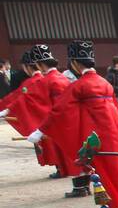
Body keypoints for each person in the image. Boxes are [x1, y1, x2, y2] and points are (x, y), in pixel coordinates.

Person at [33, 41, 118, 208]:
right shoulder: (104, 82)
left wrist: (40, 130)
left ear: (75, 63)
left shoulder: (78, 86)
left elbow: (60, 110)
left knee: (107, 172)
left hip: (98, 136)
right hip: (116, 132)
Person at [0, 46, 73, 178]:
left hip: (51, 117)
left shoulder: (40, 81)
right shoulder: (60, 77)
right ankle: (66, 171)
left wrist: (7, 109)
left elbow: (23, 97)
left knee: (59, 146)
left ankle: (67, 172)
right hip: (58, 116)